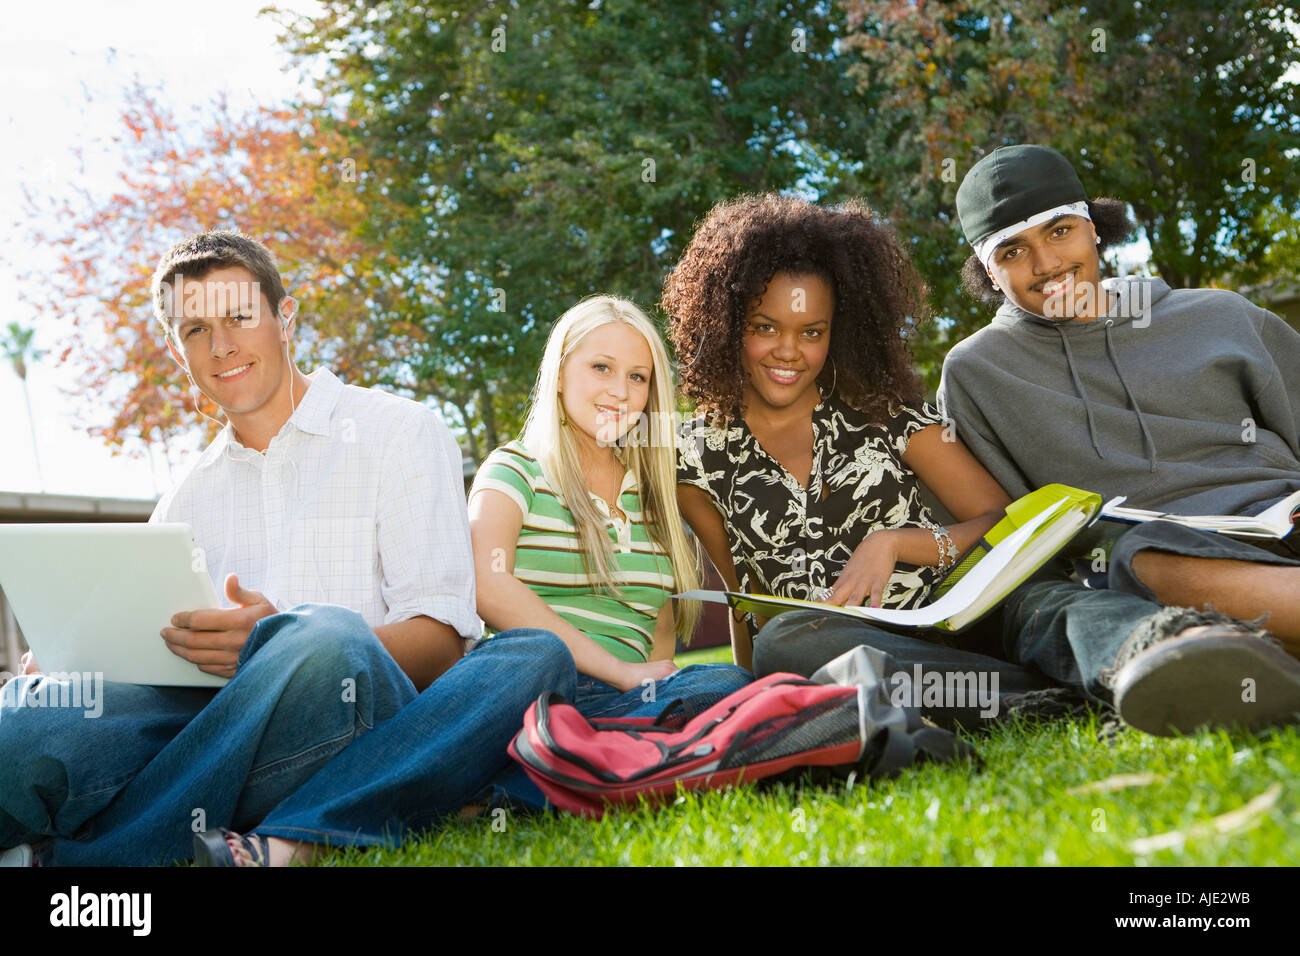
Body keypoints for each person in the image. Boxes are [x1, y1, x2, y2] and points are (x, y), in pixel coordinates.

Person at [0, 231, 561, 867]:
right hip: (214, 735)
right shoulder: (186, 497)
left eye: (239, 316)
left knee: (327, 639)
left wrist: (273, 645)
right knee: (25, 715)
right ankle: (263, 825)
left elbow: (441, 643)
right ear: (177, 349)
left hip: (357, 717)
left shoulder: (400, 432)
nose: (221, 346)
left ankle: (80, 860)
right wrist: (73, 664)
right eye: (195, 330)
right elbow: (148, 667)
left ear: (283, 315)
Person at [662, 193, 1284, 736]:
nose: (789, 352)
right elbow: (743, 598)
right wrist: (751, 685)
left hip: (974, 600)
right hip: (871, 643)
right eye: (765, 327)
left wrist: (899, 543)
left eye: (813, 331)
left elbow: (999, 521)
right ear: (722, 326)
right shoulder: (697, 458)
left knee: (1048, 605)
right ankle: (1050, 701)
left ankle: (1185, 649)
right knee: (787, 643)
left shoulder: (888, 414)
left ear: (838, 331)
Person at [191, 295, 751, 866]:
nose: (620, 390)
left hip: (614, 710)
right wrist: (620, 671)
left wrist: (646, 684)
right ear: (560, 374)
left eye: (638, 377)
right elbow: (484, 581)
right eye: (600, 367)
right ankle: (292, 839)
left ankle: (480, 794)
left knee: (721, 684)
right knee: (536, 652)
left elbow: (653, 635)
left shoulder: (656, 496)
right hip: (517, 694)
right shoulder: (516, 468)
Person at [938, 144, 1300, 732]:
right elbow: (1013, 527)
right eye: (1012, 250)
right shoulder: (976, 372)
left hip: (1286, 518)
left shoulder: (1221, 315)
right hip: (1161, 563)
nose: (1047, 262)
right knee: (1127, 553)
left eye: (1060, 232)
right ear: (986, 271)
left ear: (1095, 230)